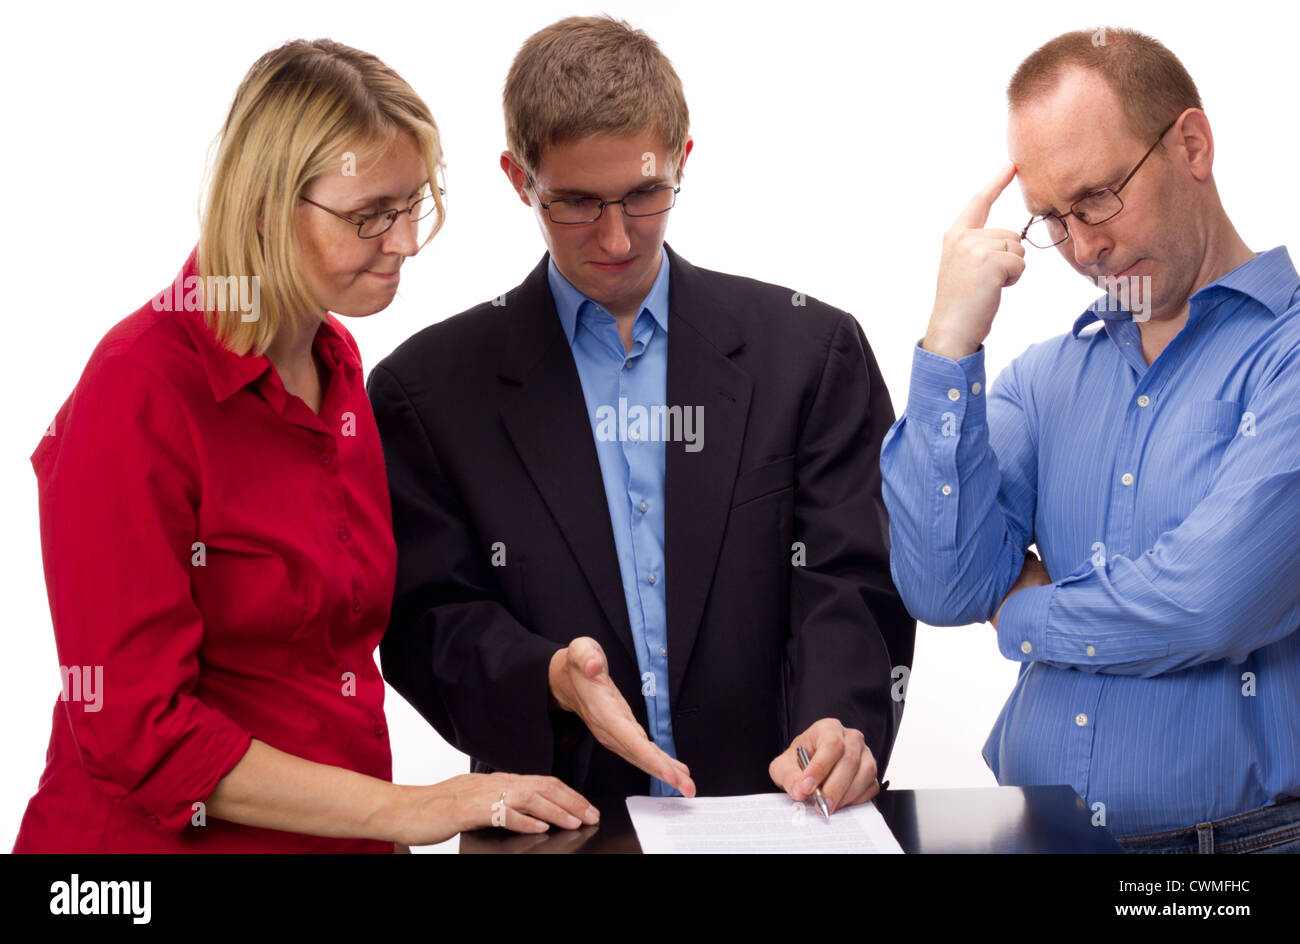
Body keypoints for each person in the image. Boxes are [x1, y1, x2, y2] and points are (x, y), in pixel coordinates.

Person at [13, 38, 595, 853]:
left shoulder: (337, 364)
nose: (403, 244)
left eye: (412, 205)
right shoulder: (136, 389)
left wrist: (544, 672)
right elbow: (135, 730)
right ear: (263, 205)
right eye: (369, 217)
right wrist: (410, 808)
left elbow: (333, 665)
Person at [369, 15, 914, 813]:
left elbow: (851, 578)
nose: (619, 237)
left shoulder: (811, 350)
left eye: (645, 194)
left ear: (683, 160)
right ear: (519, 179)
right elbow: (424, 627)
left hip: (780, 819)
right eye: (578, 204)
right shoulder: (424, 391)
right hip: (557, 824)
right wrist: (548, 677)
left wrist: (836, 724)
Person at [880, 27, 1300, 852]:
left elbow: (1204, 605)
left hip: (1233, 857)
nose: (1082, 246)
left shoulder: (1286, 358)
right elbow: (941, 585)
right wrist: (950, 340)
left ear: (1191, 145)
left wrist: (1023, 614)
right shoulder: (1043, 379)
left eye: (1099, 196)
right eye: (1052, 217)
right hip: (1036, 835)